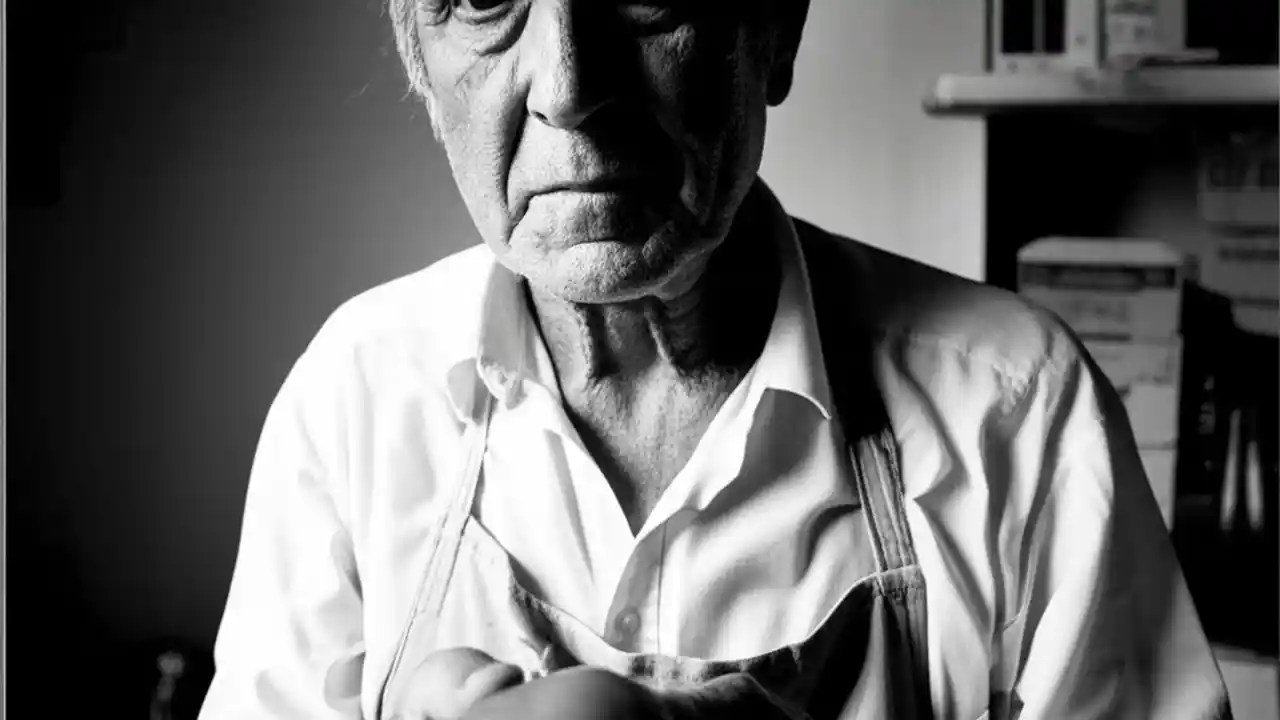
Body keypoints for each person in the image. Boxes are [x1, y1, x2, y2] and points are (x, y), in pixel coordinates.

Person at [198, 1, 1232, 718]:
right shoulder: (356, 400)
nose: (569, 87)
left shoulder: (1017, 412)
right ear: (421, 64)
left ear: (774, 28)